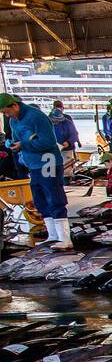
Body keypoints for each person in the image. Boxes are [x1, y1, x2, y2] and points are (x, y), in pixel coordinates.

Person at [0, 92, 72, 248]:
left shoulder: (36, 117)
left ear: (14, 105)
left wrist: (24, 144)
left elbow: (48, 141)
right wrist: (11, 144)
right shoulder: (14, 121)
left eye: (6, 112)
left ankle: (65, 239)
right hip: (33, 164)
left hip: (48, 161)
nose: (6, 115)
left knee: (54, 196)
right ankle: (53, 235)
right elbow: (17, 139)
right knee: (39, 199)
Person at [49, 105, 79, 173]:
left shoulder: (68, 123)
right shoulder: (47, 123)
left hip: (66, 150)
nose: (57, 122)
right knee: (52, 170)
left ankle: (67, 180)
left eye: (58, 120)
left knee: (66, 170)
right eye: (55, 120)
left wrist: (68, 142)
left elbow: (74, 135)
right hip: (52, 150)